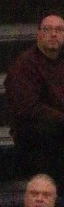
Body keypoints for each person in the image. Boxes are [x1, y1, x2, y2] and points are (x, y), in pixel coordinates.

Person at [6, 14, 64, 181]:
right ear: (38, 34)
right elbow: (29, 108)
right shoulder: (24, 64)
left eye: (59, 30)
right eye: (47, 29)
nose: (54, 34)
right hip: (37, 137)